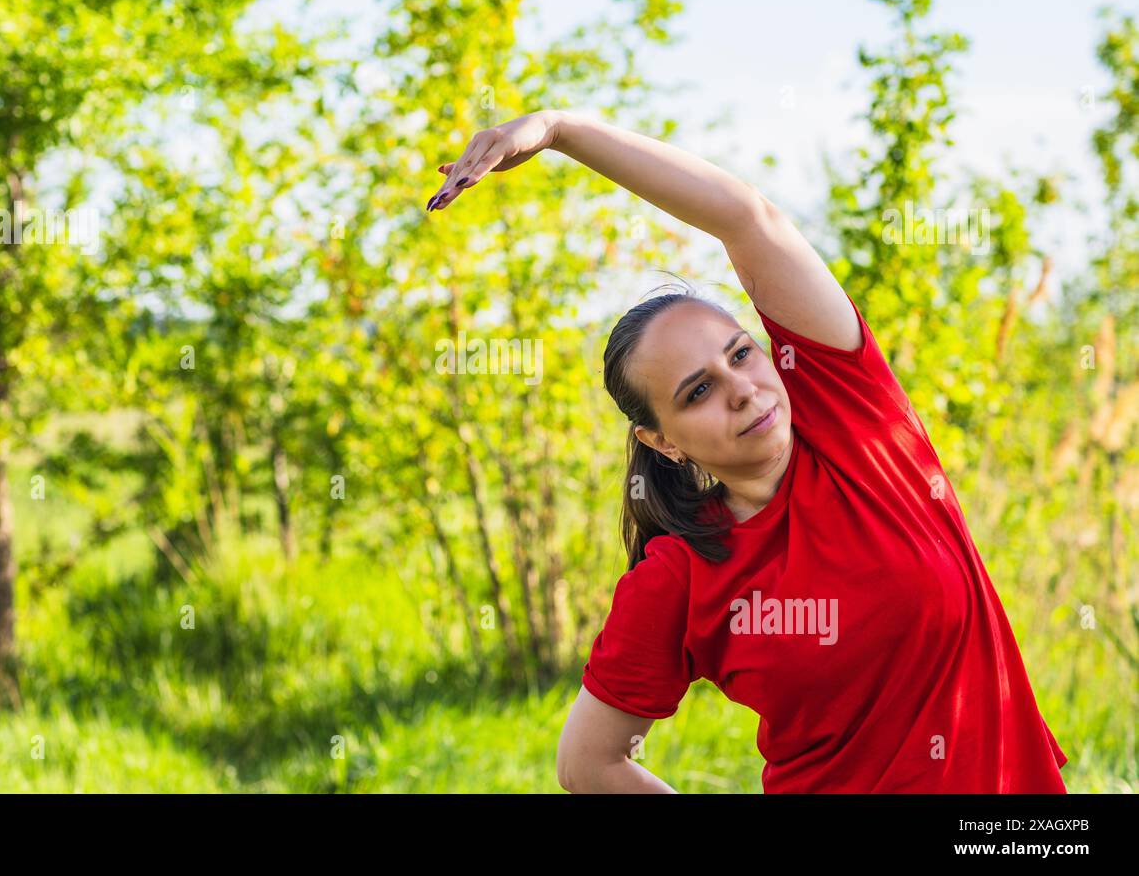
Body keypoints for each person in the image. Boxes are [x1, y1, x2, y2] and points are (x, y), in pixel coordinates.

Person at [426, 109, 1069, 794]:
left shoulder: (857, 428)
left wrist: (559, 131)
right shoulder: (681, 574)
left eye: (741, 354)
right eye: (698, 390)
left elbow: (748, 221)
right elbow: (589, 763)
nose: (741, 389)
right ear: (661, 440)